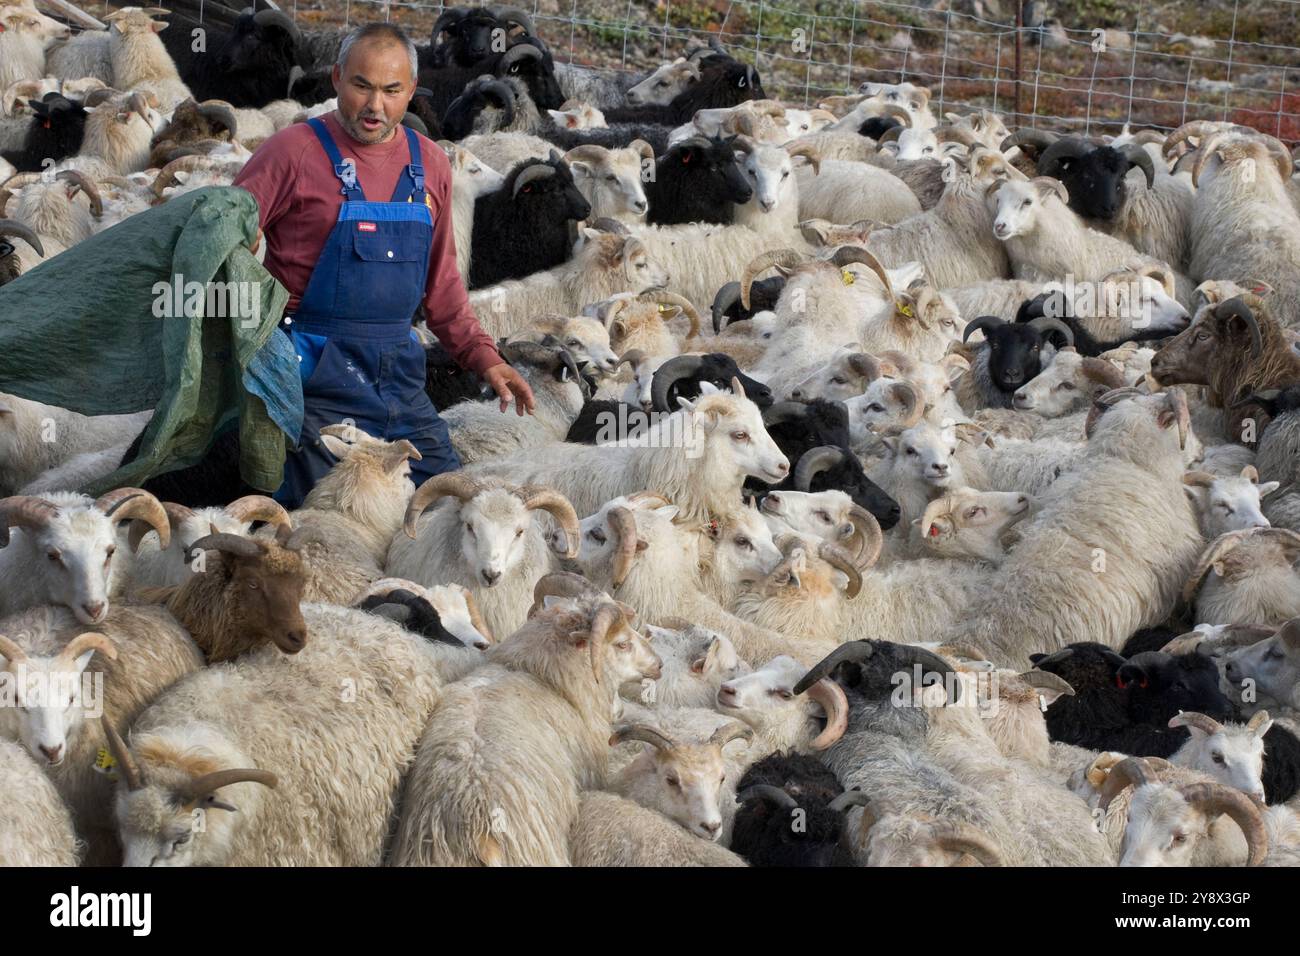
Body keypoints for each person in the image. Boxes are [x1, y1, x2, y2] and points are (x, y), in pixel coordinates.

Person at [232, 21, 534, 508]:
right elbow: (224, 238)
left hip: (399, 380)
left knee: (447, 504)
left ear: (412, 90)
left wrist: (487, 359)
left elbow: (443, 290)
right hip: (310, 378)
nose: (375, 106)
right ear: (335, 79)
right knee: (334, 515)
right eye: (362, 86)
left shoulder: (431, 163)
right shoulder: (292, 152)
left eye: (392, 91)